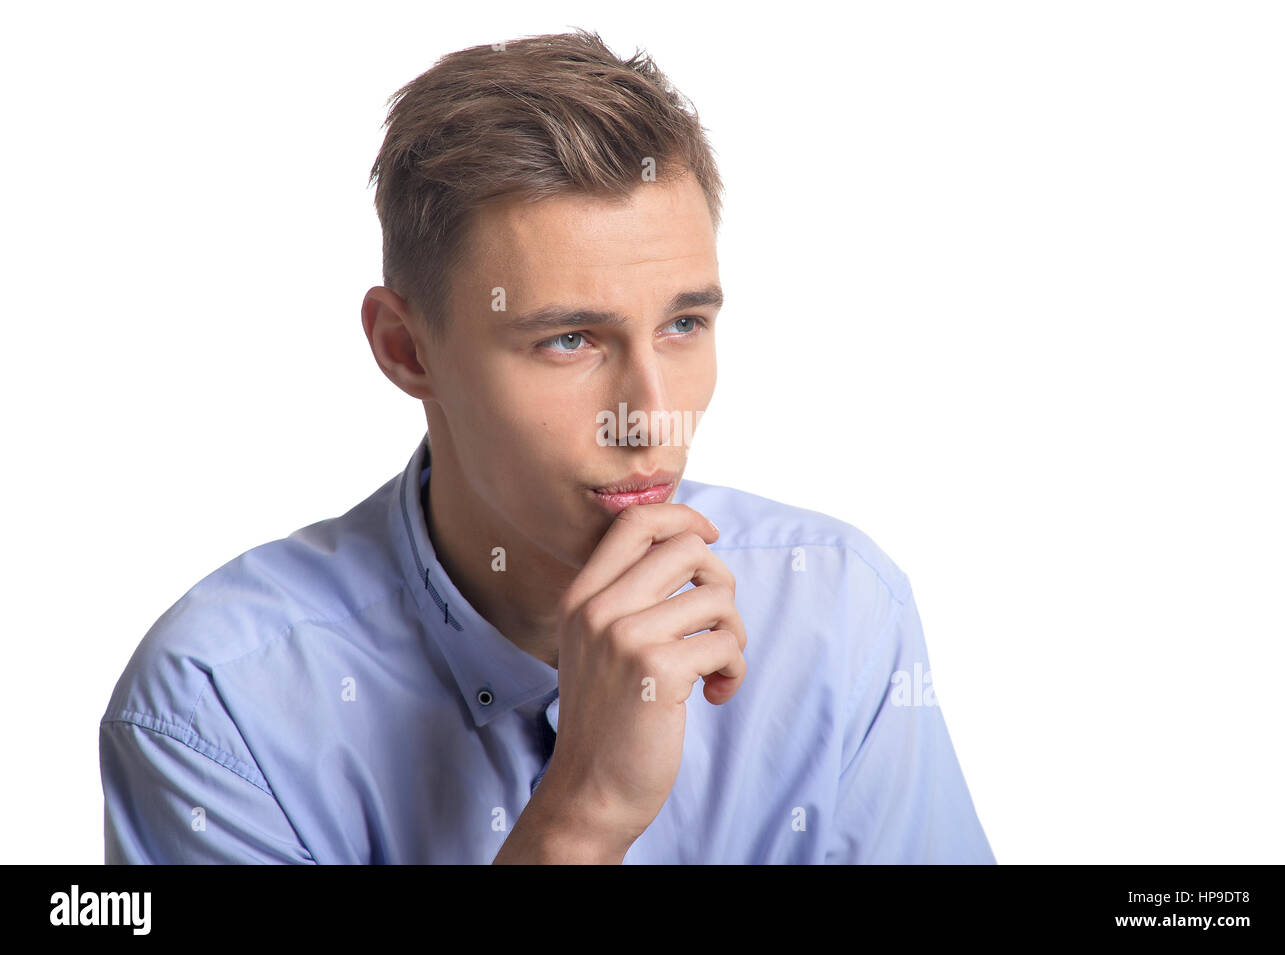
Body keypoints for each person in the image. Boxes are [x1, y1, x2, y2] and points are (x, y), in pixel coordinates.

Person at [100, 29, 995, 864]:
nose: (651, 417)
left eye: (684, 323)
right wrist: (584, 813)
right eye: (569, 340)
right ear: (406, 350)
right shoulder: (216, 706)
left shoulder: (837, 612)